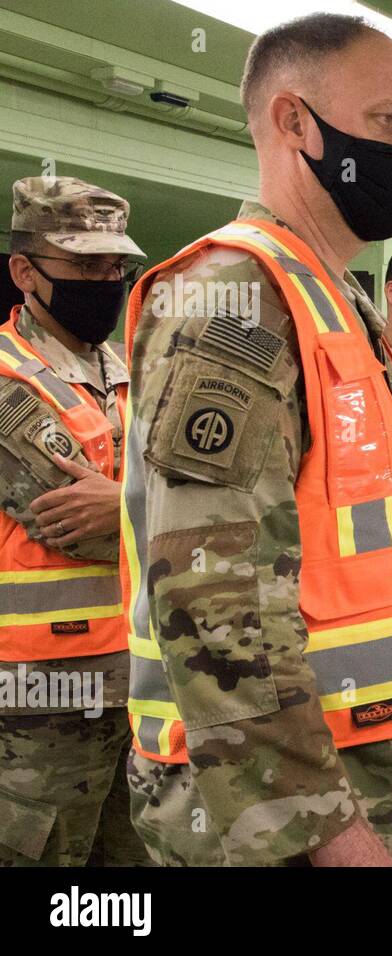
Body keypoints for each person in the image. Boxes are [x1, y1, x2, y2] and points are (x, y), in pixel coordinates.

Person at [120, 12, 392, 867]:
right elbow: (211, 596)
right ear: (294, 123)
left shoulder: (336, 302)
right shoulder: (234, 299)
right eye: (387, 122)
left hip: (380, 778)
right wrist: (323, 828)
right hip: (295, 820)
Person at [0, 175, 150, 866]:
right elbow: (69, 520)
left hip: (137, 683)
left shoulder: (124, 372)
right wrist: (150, 504)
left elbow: (196, 502)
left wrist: (122, 501)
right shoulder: (9, 379)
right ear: (25, 272)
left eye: (116, 265)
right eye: (85, 265)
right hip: (42, 701)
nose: (107, 280)